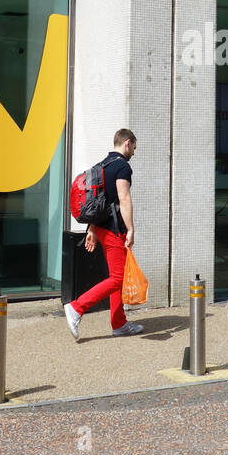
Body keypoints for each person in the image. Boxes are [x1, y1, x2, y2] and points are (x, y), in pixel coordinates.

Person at [64, 129, 143, 339]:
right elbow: (123, 198)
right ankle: (77, 307)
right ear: (127, 143)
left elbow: (99, 200)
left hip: (100, 228)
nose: (133, 153)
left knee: (117, 275)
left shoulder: (102, 165)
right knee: (118, 278)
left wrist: (91, 229)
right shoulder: (122, 167)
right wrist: (131, 229)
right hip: (114, 230)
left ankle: (119, 324)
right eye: (134, 148)